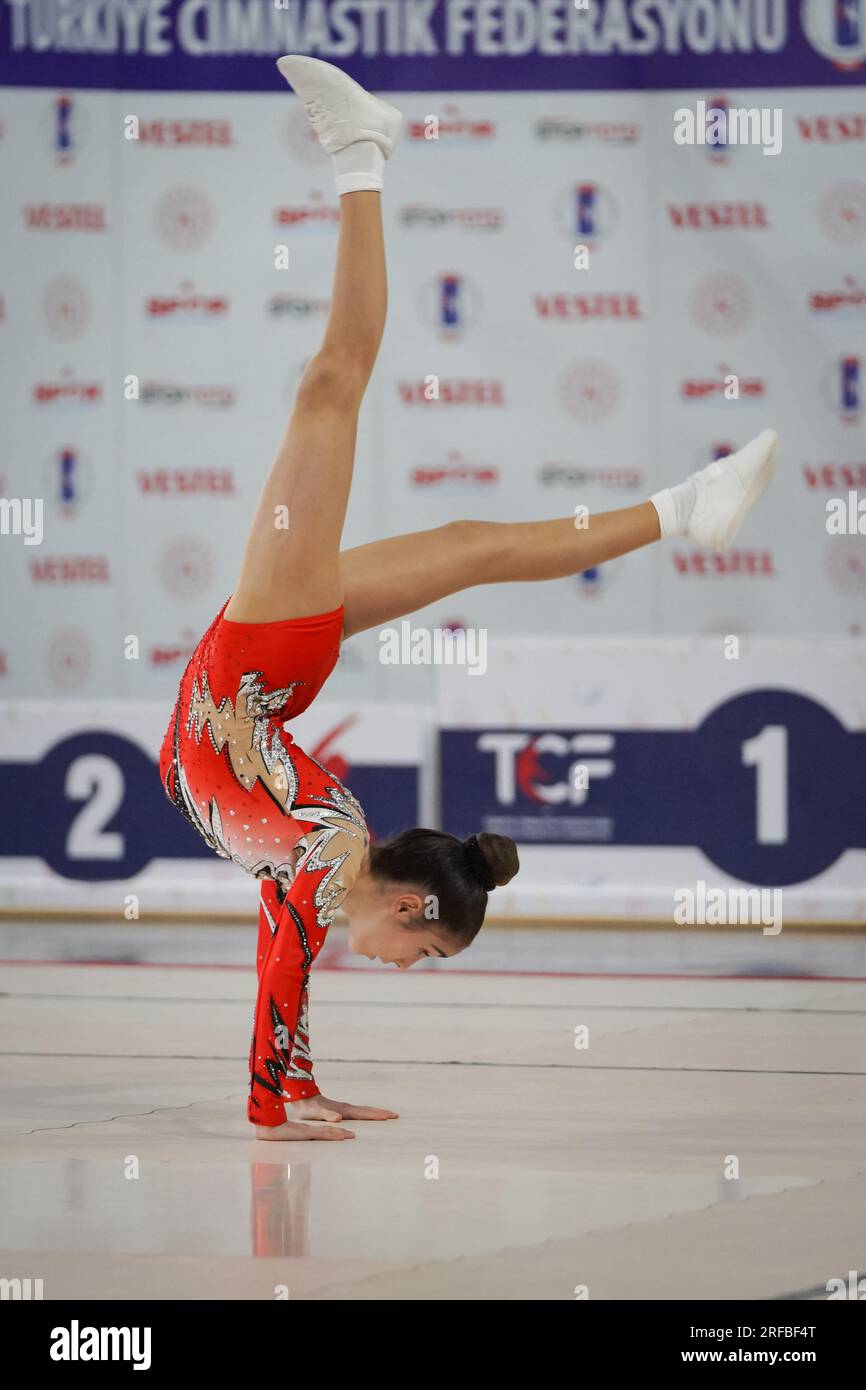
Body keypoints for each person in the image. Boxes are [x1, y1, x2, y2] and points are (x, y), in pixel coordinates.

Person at [159, 56, 778, 1141]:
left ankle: (685, 507)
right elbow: (284, 955)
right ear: (406, 903)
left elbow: (282, 951)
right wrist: (276, 1098)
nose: (408, 966)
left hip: (261, 666)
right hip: (258, 659)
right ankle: (360, 154)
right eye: (427, 952)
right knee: (336, 388)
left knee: (464, 537)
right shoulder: (325, 851)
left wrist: (291, 1094)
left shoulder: (328, 847)